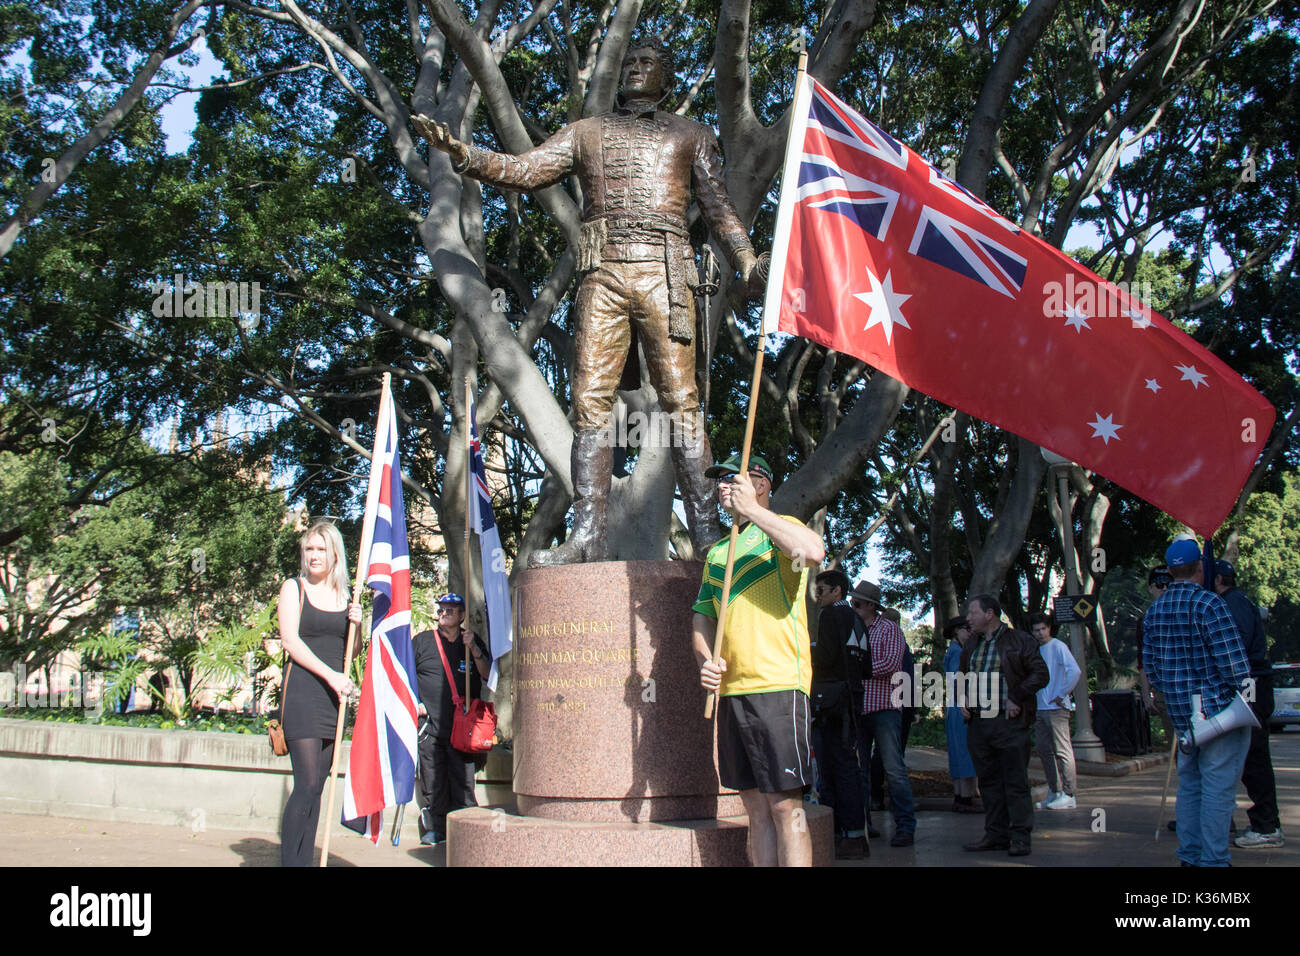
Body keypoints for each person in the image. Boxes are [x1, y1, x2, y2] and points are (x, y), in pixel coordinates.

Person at [415, 37, 759, 566]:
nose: (636, 70)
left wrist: (747, 260)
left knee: (680, 403)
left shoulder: (691, 135)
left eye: (648, 63)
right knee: (589, 403)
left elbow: (718, 209)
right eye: (630, 63)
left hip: (665, 271)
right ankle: (587, 537)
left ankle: (710, 536)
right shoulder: (587, 132)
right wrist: (466, 155)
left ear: (666, 75)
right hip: (602, 272)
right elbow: (527, 170)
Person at [693, 452, 825, 867]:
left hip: (778, 685)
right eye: (720, 481)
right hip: (732, 693)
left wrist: (752, 511)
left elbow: (812, 552)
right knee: (754, 808)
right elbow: (702, 617)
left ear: (761, 484)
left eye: (732, 479)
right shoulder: (717, 552)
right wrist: (705, 661)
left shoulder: (782, 532)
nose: (722, 487)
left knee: (787, 807)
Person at [1143, 538, 1251, 867]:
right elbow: (1236, 666)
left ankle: (1189, 856)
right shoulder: (1209, 605)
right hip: (1218, 712)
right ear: (1200, 567)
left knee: (1190, 786)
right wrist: (1244, 698)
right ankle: (1214, 860)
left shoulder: (1155, 611)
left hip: (1181, 715)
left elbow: (1153, 668)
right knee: (1218, 789)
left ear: (1172, 570)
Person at [275, 520, 363, 867]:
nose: (313, 555)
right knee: (306, 783)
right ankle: (291, 863)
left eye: (320, 549)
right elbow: (290, 641)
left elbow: (351, 652)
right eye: (308, 549)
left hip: (333, 701)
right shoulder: (293, 589)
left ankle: (304, 861)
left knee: (317, 789)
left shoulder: (346, 597)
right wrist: (332, 677)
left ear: (334, 554)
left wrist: (358, 623)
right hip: (303, 694)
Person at [959, 594, 1049, 857]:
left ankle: (1020, 836)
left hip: (1008, 721)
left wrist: (1016, 696)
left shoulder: (1019, 640)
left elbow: (1040, 674)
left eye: (973, 613)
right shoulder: (972, 643)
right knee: (988, 780)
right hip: (979, 722)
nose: (968, 618)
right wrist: (963, 699)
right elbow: (964, 675)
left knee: (1015, 781)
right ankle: (996, 833)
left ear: (989, 614)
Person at [411, 593, 491, 846]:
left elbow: (488, 674)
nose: (443, 613)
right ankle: (435, 828)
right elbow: (405, 675)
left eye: (450, 610)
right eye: (441, 609)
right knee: (432, 780)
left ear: (462, 615)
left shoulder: (471, 641)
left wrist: (474, 649)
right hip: (431, 726)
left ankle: (465, 832)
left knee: (463, 782)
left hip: (463, 728)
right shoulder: (423, 641)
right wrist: (414, 702)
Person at [1213, 560, 1283, 849]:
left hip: (1250, 684)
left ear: (1218, 579)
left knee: (1253, 756)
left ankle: (1267, 825)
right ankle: (1265, 822)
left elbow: (1236, 647)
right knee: (1251, 755)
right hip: (1254, 684)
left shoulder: (1233, 604)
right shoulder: (1241, 601)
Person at [850, 581, 916, 847]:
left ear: (870, 605)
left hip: (886, 710)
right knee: (859, 771)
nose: (852, 607)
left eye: (856, 603)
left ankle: (905, 827)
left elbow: (890, 664)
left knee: (894, 769)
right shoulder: (852, 630)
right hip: (859, 708)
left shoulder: (890, 630)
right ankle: (863, 826)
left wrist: (854, 669)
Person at [811, 568, 869, 859]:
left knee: (834, 767)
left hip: (832, 703)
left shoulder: (831, 615)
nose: (817, 595)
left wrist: (809, 651)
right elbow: (867, 667)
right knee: (849, 765)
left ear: (836, 591)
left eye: (821, 589)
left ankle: (840, 832)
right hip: (853, 699)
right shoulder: (857, 620)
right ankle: (855, 833)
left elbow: (824, 657)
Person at [1029, 612, 1082, 811]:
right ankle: (1054, 790)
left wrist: (1061, 694)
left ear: (1049, 628)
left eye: (1043, 629)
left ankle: (1069, 793)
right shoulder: (1035, 650)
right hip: (1041, 707)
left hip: (1056, 708)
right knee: (1044, 750)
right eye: (1036, 630)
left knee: (1062, 750)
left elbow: (1075, 671)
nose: (1040, 633)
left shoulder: (1058, 646)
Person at [942, 616, 980, 813]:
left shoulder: (952, 650)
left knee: (958, 752)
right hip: (961, 705)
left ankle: (960, 796)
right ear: (956, 631)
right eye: (966, 628)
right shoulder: (959, 653)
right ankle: (966, 797)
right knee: (966, 752)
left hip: (953, 707)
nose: (969, 632)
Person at [1135, 564, 1176, 746]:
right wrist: (1146, 694)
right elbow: (1143, 661)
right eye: (1160, 585)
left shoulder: (1186, 611)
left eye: (1169, 584)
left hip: (1195, 690)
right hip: (1165, 691)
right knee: (1179, 746)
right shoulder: (1146, 621)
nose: (1165, 588)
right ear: (1151, 588)